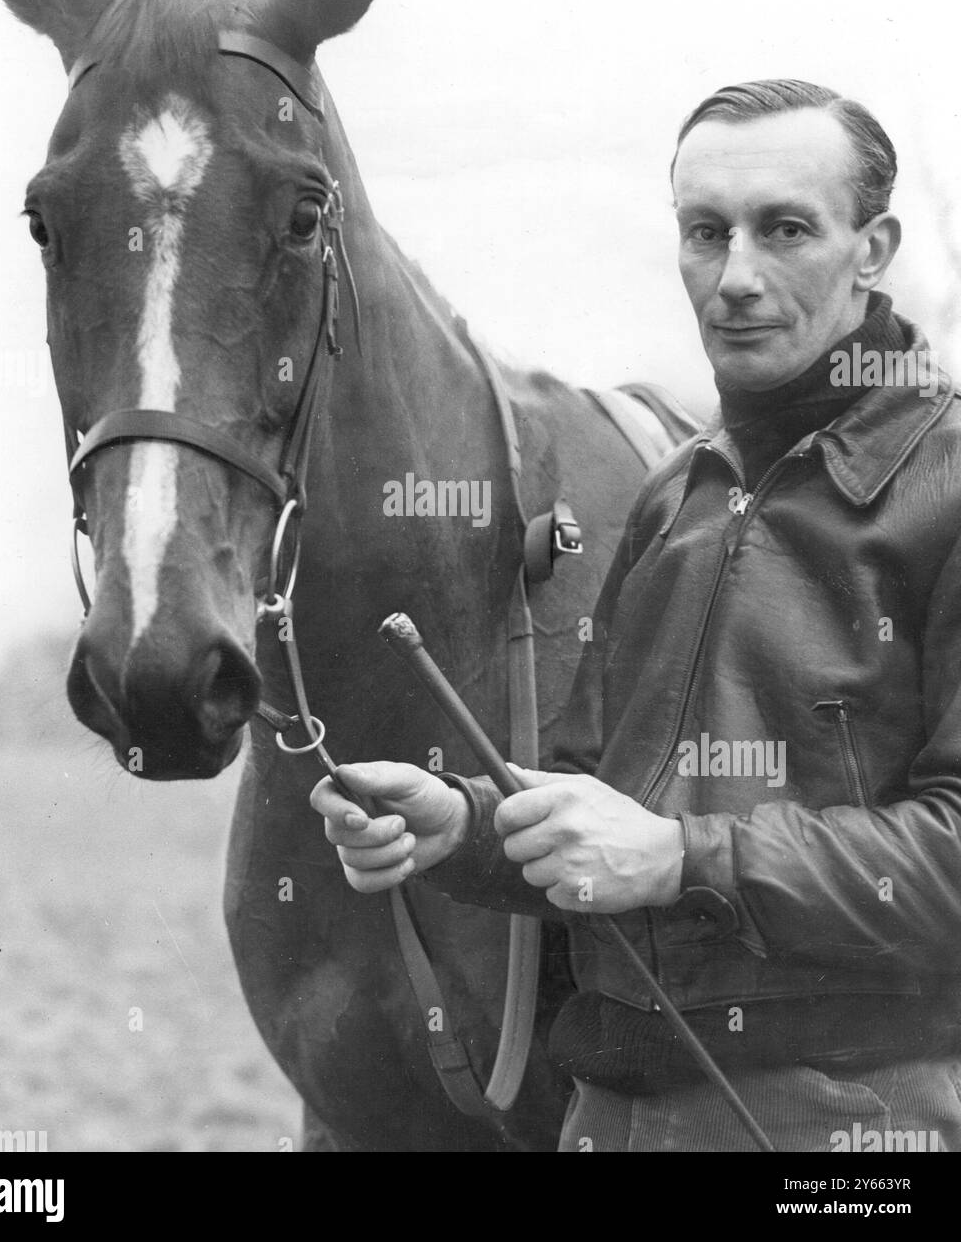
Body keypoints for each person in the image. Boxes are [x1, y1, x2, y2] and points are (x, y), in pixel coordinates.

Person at [310, 79, 961, 1152]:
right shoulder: (676, 498)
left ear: (874, 246)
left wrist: (679, 857)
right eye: (705, 232)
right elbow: (593, 814)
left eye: (785, 229)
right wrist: (461, 825)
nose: (735, 276)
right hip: (608, 1119)